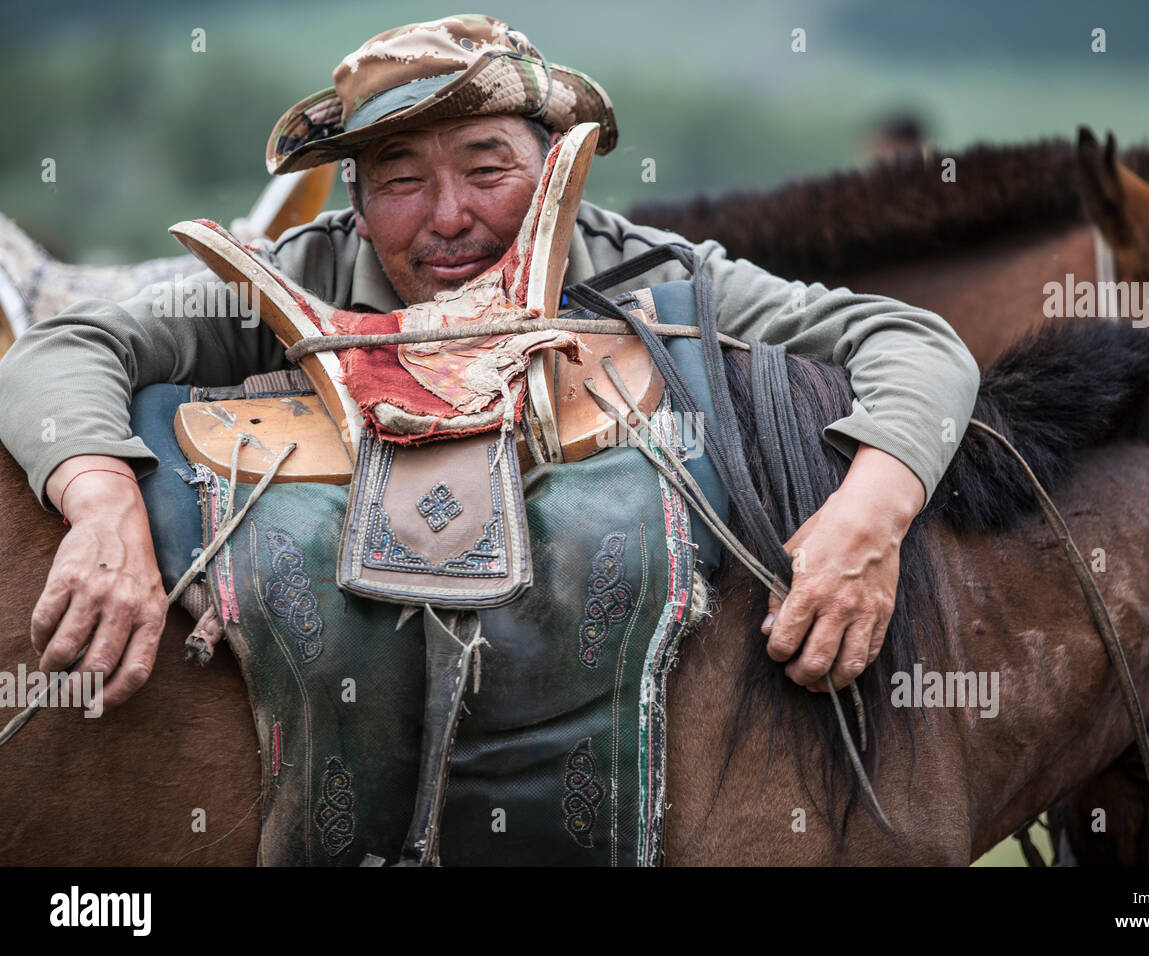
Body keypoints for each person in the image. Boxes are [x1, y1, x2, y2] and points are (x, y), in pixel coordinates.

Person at [0, 14, 979, 712]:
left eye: (485, 166)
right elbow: (66, 346)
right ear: (355, 195)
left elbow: (912, 341)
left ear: (555, 166)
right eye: (401, 181)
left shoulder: (645, 274)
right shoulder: (303, 273)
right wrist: (101, 500)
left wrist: (868, 515)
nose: (447, 216)